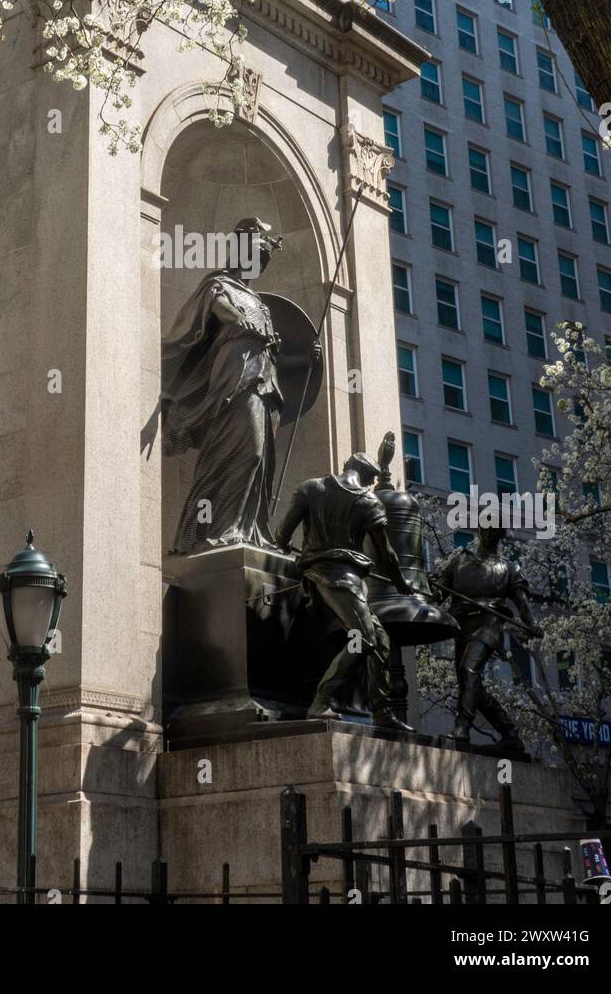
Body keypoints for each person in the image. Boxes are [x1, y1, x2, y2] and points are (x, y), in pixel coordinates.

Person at [162, 218, 284, 553]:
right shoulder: (219, 285)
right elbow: (220, 310)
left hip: (265, 381)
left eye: (260, 261)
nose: (255, 266)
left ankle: (246, 529)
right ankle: (211, 530)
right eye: (253, 257)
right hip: (235, 372)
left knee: (261, 459)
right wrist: (237, 318)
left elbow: (275, 344)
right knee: (245, 450)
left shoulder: (260, 302)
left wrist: (307, 355)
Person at [275, 452, 415, 730]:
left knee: (381, 642)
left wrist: (291, 546)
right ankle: (320, 702)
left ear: (347, 466)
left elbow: (282, 534)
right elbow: (386, 554)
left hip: (324, 576)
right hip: (342, 580)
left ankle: (383, 711)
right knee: (363, 639)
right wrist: (401, 584)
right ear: (368, 478)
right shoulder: (368, 501)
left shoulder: (310, 487)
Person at [431, 526, 542, 747]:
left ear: (501, 536)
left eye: (496, 531)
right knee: (470, 684)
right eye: (488, 529)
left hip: (489, 624)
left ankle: (462, 728)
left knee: (468, 670)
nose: (491, 533)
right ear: (480, 530)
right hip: (462, 625)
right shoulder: (458, 562)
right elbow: (437, 595)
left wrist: (532, 624)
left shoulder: (510, 568)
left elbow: (522, 602)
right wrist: (426, 585)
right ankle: (510, 733)